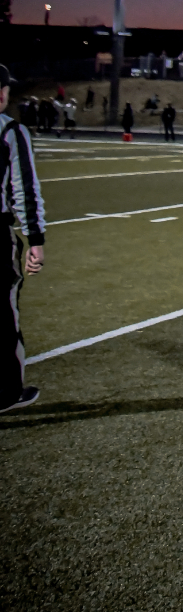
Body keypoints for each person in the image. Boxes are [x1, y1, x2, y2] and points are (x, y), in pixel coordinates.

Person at [1, 64, 46, 413]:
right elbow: (25, 189)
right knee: (4, 316)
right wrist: (35, 239)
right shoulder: (10, 132)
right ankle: (8, 392)